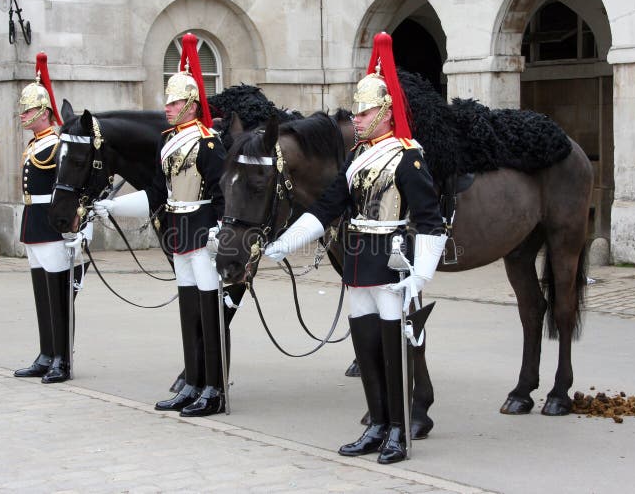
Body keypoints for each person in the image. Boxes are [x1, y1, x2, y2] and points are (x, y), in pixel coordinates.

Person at [264, 32, 446, 464]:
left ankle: (400, 429)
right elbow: (327, 208)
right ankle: (378, 424)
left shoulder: (407, 156)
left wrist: (420, 274)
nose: (357, 119)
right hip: (359, 263)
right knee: (366, 347)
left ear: (385, 113)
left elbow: (430, 219)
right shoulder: (355, 160)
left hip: (393, 262)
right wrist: (282, 244)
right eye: (357, 112)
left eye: (364, 113)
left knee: (393, 348)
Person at [93, 33, 229, 417]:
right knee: (189, 308)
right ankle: (193, 382)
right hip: (179, 233)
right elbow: (157, 191)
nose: (166, 108)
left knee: (209, 309)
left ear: (190, 104)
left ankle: (214, 387)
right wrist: (114, 206)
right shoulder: (167, 144)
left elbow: (221, 193)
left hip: (203, 232)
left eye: (173, 102)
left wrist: (218, 228)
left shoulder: (208, 143)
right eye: (166, 101)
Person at [14, 52, 91, 384]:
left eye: (29, 110)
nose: (24, 115)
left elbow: (75, 187)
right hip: (34, 221)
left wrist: (77, 223)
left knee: (60, 295)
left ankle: (62, 359)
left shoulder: (58, 144)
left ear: (44, 113)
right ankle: (46, 353)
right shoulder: (35, 144)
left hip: (52, 223)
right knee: (42, 294)